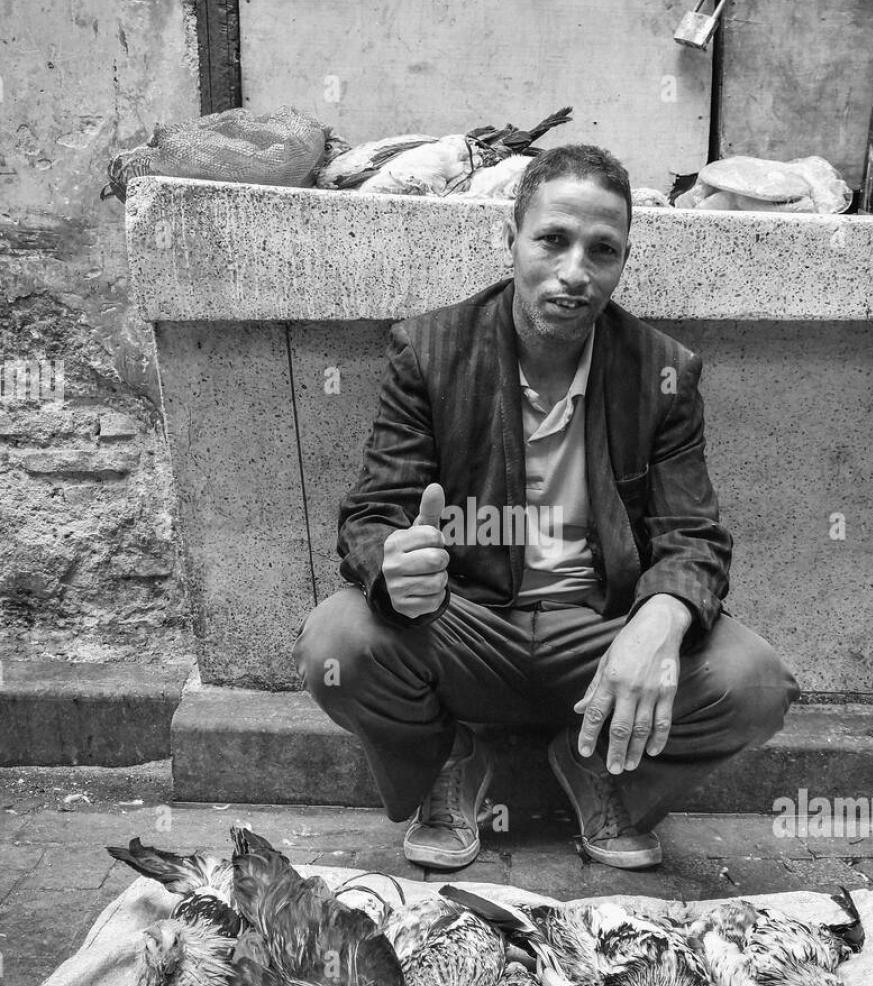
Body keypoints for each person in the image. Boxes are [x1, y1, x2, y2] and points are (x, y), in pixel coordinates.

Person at [293, 143, 798, 871]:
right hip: (465, 624)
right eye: (553, 241)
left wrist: (661, 618)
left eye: (603, 251)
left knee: (755, 683)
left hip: (597, 633)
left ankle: (600, 770)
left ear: (623, 260)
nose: (575, 273)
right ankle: (448, 760)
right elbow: (371, 516)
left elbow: (693, 535)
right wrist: (392, 566)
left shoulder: (661, 372)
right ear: (512, 240)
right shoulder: (432, 350)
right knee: (334, 642)